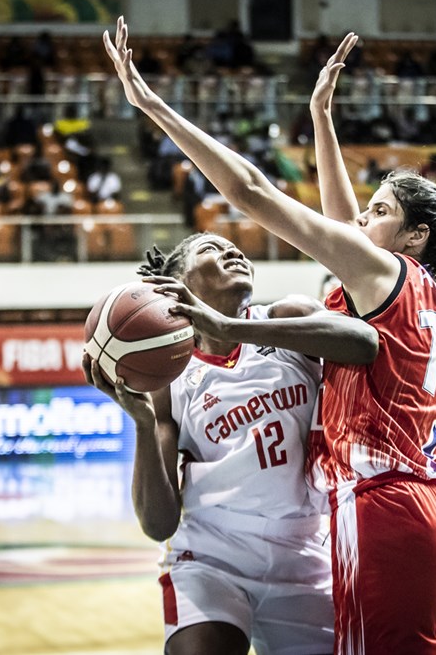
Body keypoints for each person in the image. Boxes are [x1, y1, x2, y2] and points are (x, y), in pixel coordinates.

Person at [104, 21, 436, 652]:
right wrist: (321, 117)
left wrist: (151, 105)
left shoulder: (368, 284)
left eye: (379, 210)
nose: (362, 217)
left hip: (382, 504)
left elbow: (252, 192)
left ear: (413, 238)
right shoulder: (413, 291)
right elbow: (343, 226)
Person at [84, 233, 379, 655]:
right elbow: (158, 525)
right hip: (212, 556)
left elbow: (365, 343)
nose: (234, 251)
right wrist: (145, 427)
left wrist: (228, 327)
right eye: (210, 249)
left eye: (234, 247)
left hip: (306, 551)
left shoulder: (286, 316)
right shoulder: (171, 381)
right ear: (177, 282)